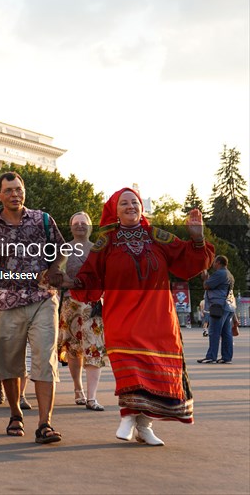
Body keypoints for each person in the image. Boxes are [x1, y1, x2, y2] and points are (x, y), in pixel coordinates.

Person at [70, 187, 213, 446]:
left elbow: (188, 260)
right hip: (121, 316)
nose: (130, 206)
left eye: (134, 202)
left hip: (157, 317)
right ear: (115, 211)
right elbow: (91, 274)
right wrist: (73, 281)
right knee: (130, 365)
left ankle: (144, 426)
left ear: (141, 208)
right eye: (124, 203)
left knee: (154, 372)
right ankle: (127, 415)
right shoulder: (107, 241)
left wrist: (198, 239)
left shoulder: (156, 236)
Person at [0, 172, 67, 445]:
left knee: (44, 359)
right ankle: (15, 413)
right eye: (9, 190)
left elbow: (61, 249)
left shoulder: (43, 220)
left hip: (42, 299)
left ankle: (45, 423)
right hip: (6, 301)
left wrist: (55, 268)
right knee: (9, 363)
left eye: (18, 189)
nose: (15, 194)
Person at [57, 212, 108, 411]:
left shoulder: (98, 249)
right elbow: (56, 273)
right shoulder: (64, 248)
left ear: (90, 227)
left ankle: (92, 397)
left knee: (93, 348)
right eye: (75, 223)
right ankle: (78, 390)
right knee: (73, 349)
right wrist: (72, 282)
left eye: (83, 223)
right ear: (70, 227)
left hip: (93, 304)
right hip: (71, 304)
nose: (80, 226)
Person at [201, 255, 236, 364]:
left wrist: (206, 279)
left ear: (219, 263)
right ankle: (226, 357)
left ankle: (211, 356)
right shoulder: (229, 274)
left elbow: (207, 286)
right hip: (228, 307)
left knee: (214, 331)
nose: (213, 264)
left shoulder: (220, 273)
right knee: (226, 333)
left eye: (214, 262)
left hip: (219, 306)